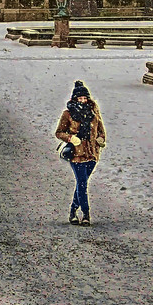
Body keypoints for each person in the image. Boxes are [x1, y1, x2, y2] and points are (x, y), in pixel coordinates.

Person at [53, 82, 106, 225]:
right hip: (76, 154)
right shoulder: (68, 114)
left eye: (84, 98)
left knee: (81, 183)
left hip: (92, 153)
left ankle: (73, 211)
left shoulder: (94, 113)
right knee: (82, 183)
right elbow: (59, 133)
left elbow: (101, 130)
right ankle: (86, 214)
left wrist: (101, 139)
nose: (83, 101)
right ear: (74, 99)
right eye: (80, 98)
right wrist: (70, 138)